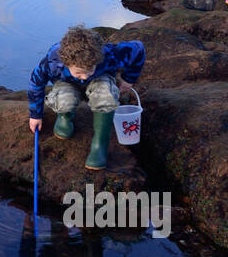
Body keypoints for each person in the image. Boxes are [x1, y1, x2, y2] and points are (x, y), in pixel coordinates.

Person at [26, 24, 145, 170]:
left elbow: (138, 49)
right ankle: (65, 118)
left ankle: (99, 145)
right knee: (64, 100)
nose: (84, 77)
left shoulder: (109, 54)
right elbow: (36, 83)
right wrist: (35, 115)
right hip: (67, 84)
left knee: (106, 95)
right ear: (66, 63)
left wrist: (128, 79)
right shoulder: (53, 61)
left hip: (99, 82)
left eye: (90, 70)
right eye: (79, 73)